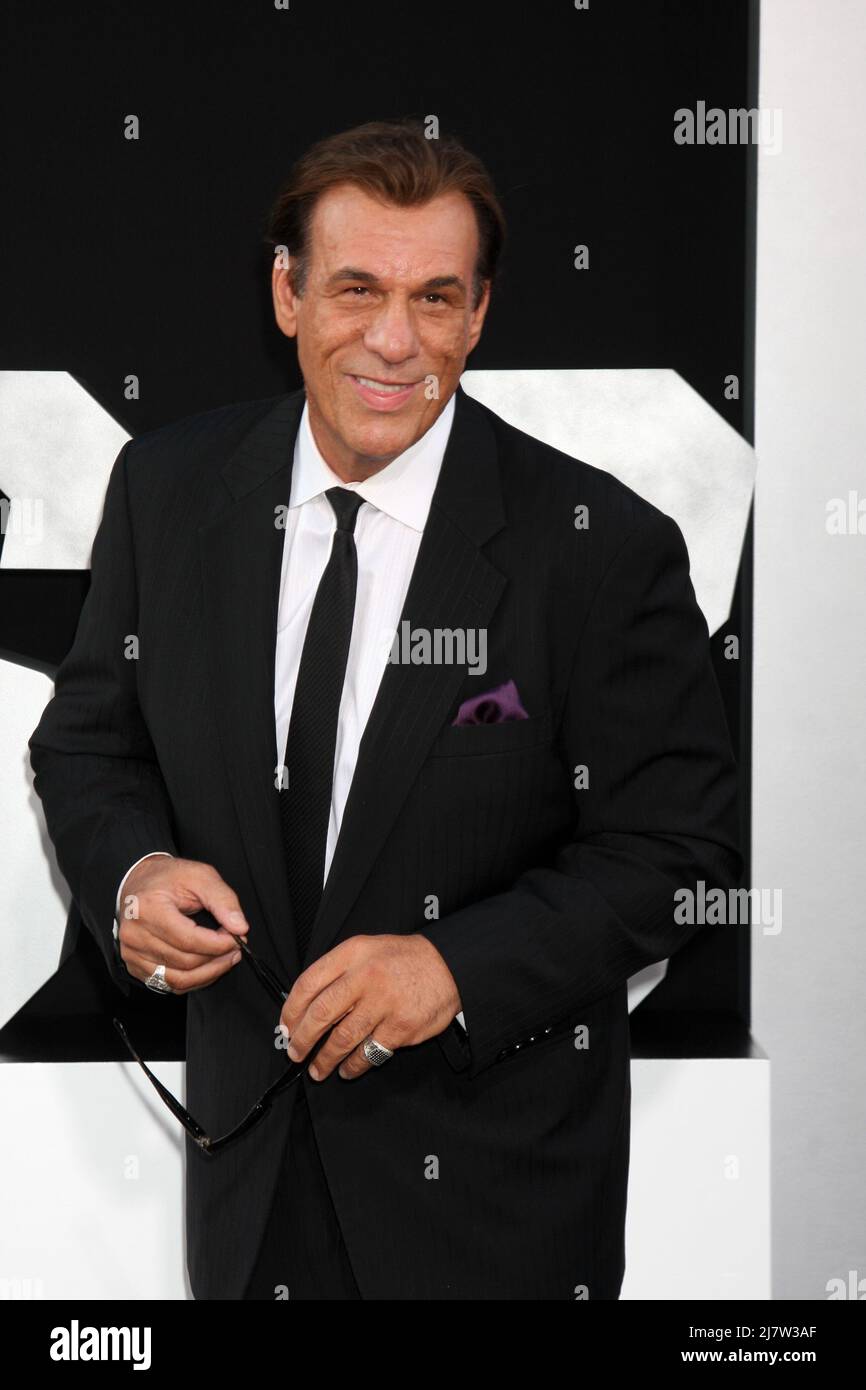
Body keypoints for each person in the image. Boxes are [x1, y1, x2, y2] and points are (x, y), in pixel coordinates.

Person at [29, 118, 742, 1300]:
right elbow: (90, 741)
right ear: (286, 293)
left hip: (495, 1220)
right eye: (356, 288)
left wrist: (451, 968)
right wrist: (134, 874)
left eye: (435, 298)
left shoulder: (597, 549)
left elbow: (677, 850)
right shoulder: (170, 491)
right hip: (249, 1195)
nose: (394, 340)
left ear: (479, 313)